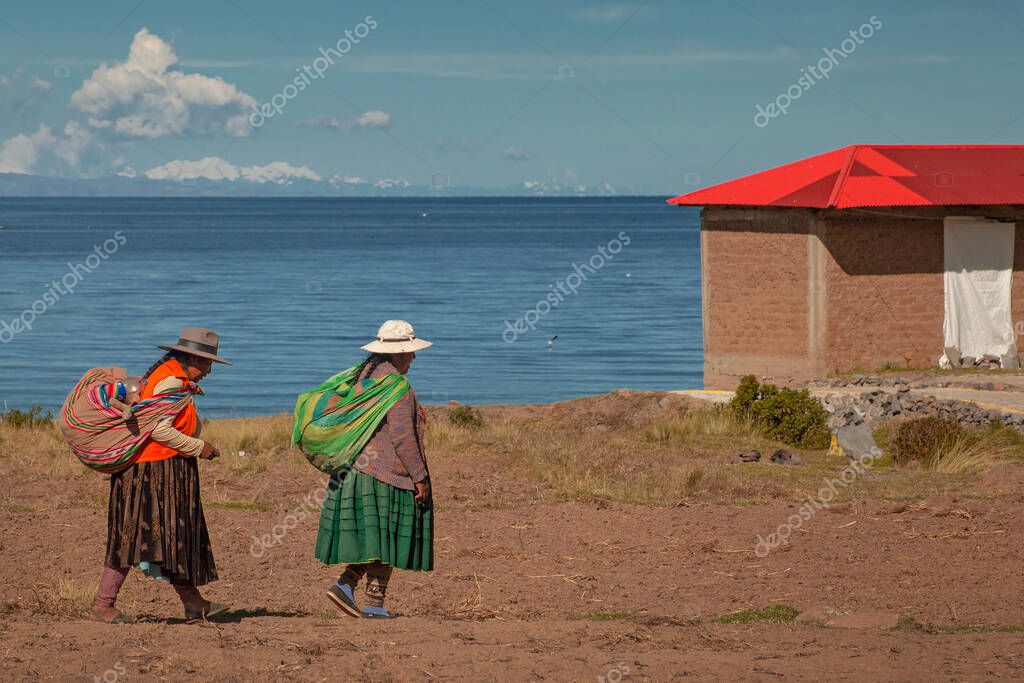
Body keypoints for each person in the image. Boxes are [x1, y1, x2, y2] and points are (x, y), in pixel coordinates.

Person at [91, 328, 231, 624]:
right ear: (192, 357)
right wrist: (198, 447)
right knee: (134, 538)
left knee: (167, 538)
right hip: (152, 472)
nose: (208, 371)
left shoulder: (170, 376)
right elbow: (158, 429)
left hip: (158, 469)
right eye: (207, 363)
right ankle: (103, 605)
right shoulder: (170, 381)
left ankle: (194, 604)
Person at [318, 320, 434, 619]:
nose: (414, 358)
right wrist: (419, 476)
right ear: (397, 354)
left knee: (375, 539)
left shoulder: (363, 376)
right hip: (382, 472)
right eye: (410, 352)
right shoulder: (396, 386)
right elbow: (402, 436)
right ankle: (369, 602)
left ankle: (350, 589)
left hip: (354, 470)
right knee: (387, 537)